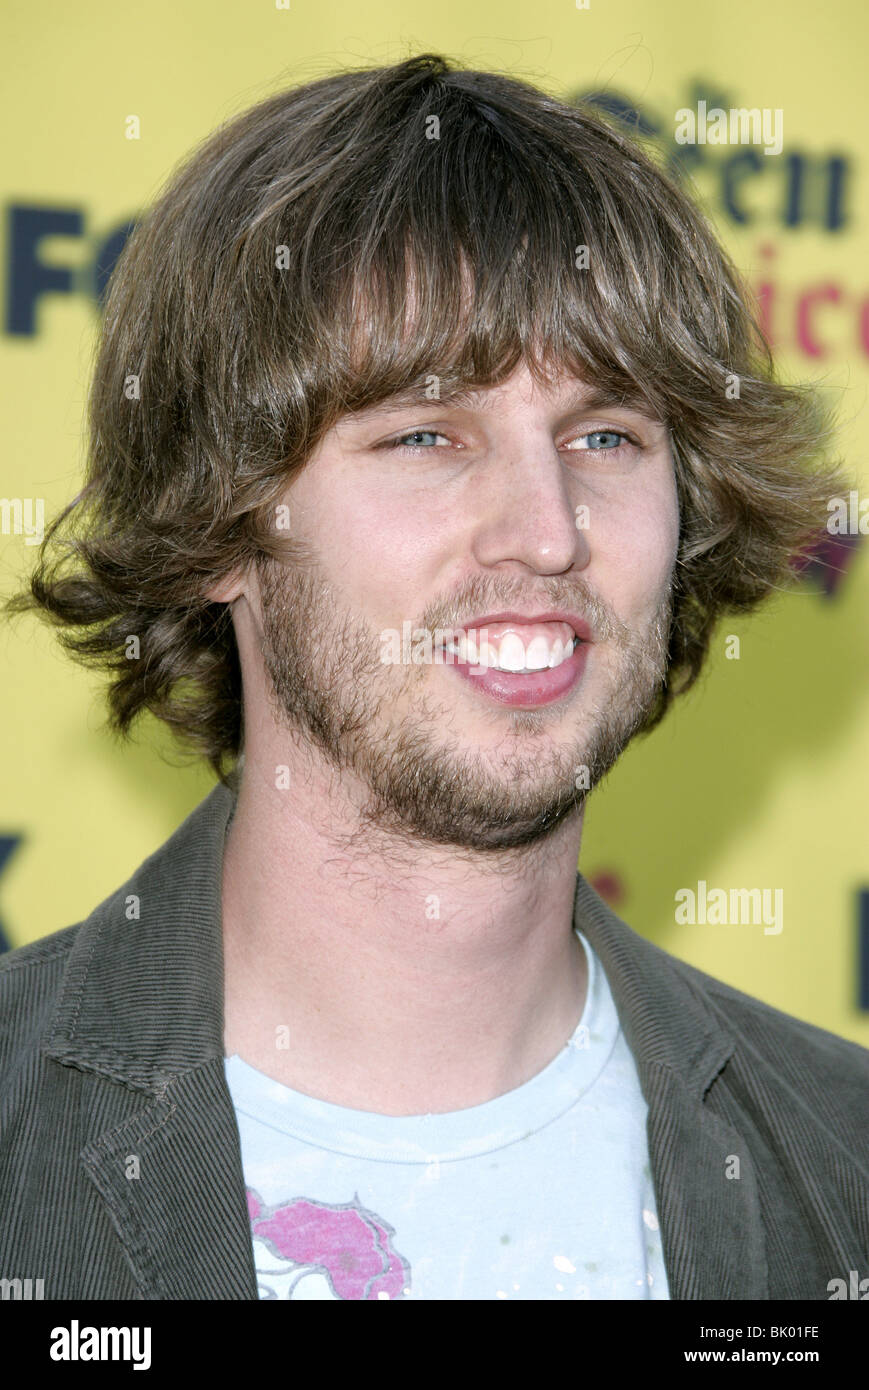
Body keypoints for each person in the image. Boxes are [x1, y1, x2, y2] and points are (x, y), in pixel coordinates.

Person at [1, 52, 866, 1303]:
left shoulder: (836, 1168)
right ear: (222, 529)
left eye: (604, 436)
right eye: (424, 433)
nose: (548, 527)